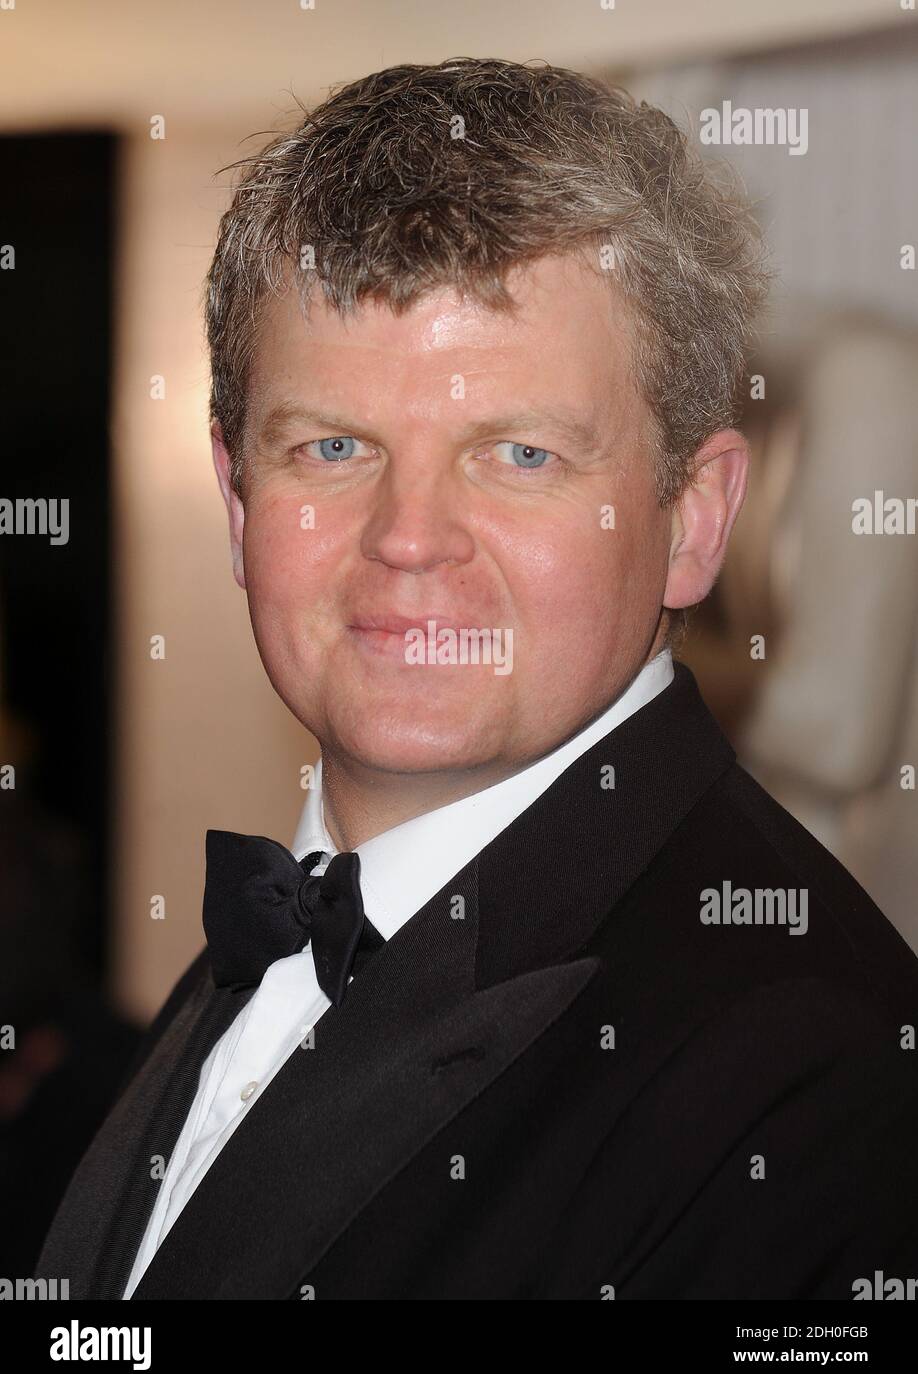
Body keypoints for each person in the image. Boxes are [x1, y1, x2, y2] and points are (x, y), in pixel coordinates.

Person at [35, 56, 918, 1300]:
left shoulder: (823, 1084)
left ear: (695, 519)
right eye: (332, 446)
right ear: (236, 501)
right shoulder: (279, 935)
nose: (409, 538)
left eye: (519, 453)